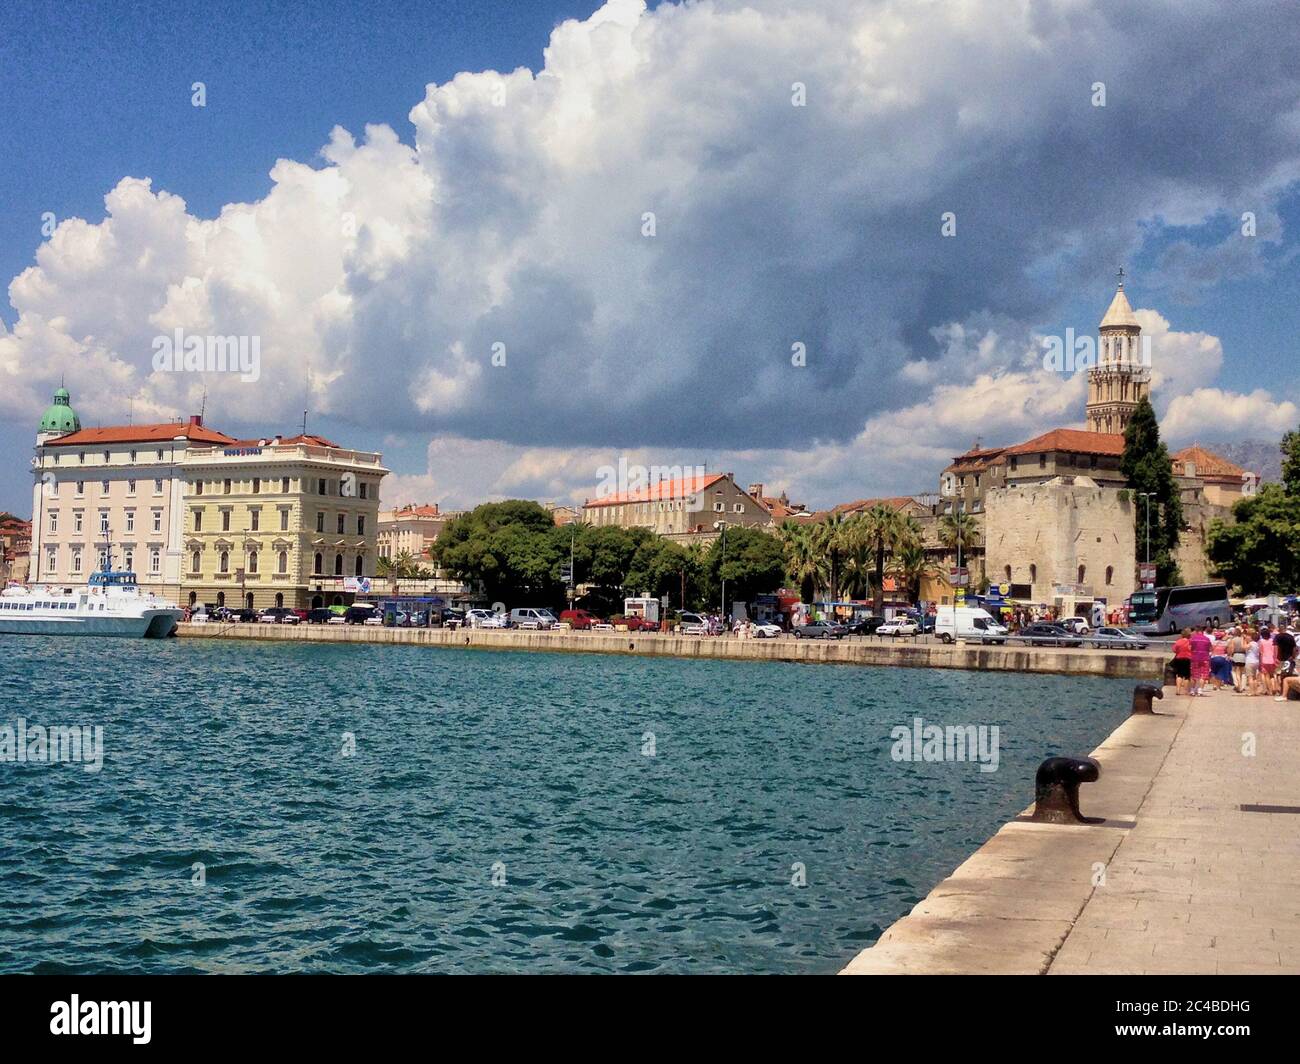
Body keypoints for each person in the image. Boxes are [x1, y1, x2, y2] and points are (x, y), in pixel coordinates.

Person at [1189, 625, 1213, 697]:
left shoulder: (1193, 639)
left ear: (1196, 631)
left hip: (1194, 659)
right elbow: (1211, 649)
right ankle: (1200, 691)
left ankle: (1192, 690)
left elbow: (1189, 648)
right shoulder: (1207, 639)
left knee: (1194, 675)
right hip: (1205, 659)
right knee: (1203, 675)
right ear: (1202, 631)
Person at [1172, 628, 1193, 696]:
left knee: (1179, 675)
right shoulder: (1191, 642)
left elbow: (1174, 650)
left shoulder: (1178, 641)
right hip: (1188, 659)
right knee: (1187, 676)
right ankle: (1186, 691)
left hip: (1179, 659)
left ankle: (1178, 690)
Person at [1259, 626, 1278, 695]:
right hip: (1272, 660)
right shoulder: (1272, 640)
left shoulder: (1261, 641)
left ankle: (1269, 690)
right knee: (1272, 675)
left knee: (1266, 675)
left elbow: (1261, 652)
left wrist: (1260, 662)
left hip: (1264, 660)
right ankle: (1274, 688)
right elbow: (1275, 651)